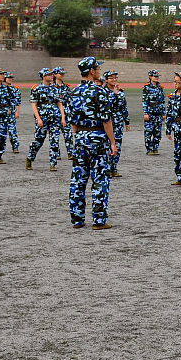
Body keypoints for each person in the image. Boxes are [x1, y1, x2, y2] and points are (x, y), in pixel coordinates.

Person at [67, 57, 117, 230]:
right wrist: (112, 142)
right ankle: (99, 220)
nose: (99, 71)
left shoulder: (73, 92)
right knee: (100, 179)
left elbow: (72, 122)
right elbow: (106, 120)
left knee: (78, 180)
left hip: (80, 137)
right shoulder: (99, 92)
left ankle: (77, 219)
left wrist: (81, 134)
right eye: (97, 68)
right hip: (98, 137)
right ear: (91, 71)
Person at [26, 67, 65, 171]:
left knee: (55, 141)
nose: (51, 76)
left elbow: (59, 104)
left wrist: (63, 118)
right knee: (39, 140)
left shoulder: (55, 88)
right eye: (49, 75)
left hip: (55, 117)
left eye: (52, 74)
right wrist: (38, 119)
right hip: (42, 118)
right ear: (43, 76)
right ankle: (30, 158)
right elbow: (34, 105)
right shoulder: (36, 88)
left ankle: (53, 163)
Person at [102, 71, 129, 177]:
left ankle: (114, 168)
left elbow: (124, 107)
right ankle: (107, 169)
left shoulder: (120, 92)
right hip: (107, 121)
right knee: (107, 145)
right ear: (106, 80)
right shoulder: (102, 92)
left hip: (118, 122)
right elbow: (106, 105)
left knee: (117, 145)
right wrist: (114, 94)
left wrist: (126, 121)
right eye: (111, 78)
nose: (114, 80)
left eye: (115, 78)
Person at [142, 69, 166, 155]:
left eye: (157, 76)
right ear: (150, 77)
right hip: (150, 113)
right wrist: (145, 113)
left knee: (157, 133)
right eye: (154, 76)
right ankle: (149, 149)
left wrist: (163, 113)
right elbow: (144, 101)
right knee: (148, 132)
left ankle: (155, 148)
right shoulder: (147, 87)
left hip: (158, 114)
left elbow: (162, 102)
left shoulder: (160, 88)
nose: (156, 78)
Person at [4, 73, 22, 153]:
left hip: (11, 112)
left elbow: (17, 102)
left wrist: (17, 112)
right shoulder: (1, 88)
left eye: (11, 78)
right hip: (1, 112)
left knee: (12, 130)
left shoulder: (15, 89)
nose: (10, 79)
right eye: (8, 78)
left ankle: (15, 147)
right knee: (1, 131)